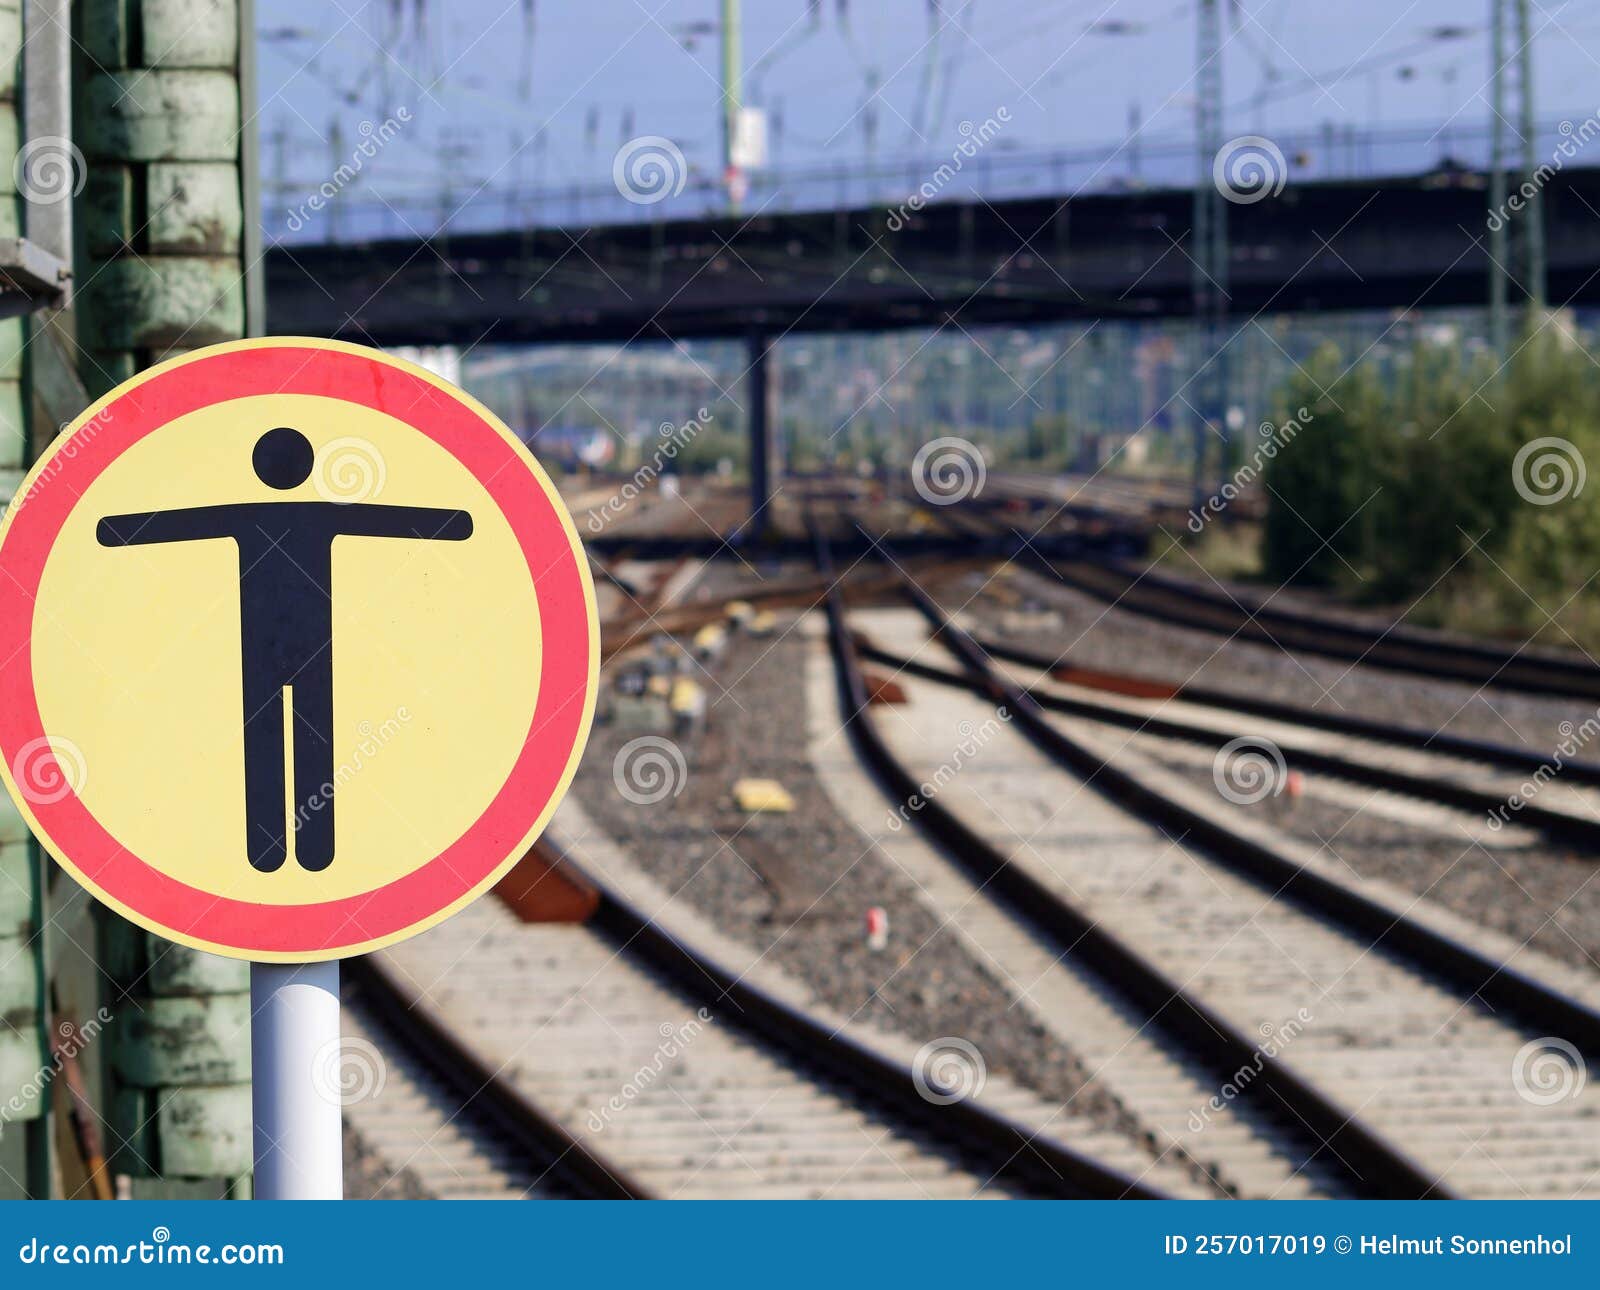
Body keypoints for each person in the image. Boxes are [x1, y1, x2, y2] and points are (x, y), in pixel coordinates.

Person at [96, 426, 473, 873]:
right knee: (314, 745)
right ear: (307, 467)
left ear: (260, 467)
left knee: (264, 746)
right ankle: (314, 851)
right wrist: (458, 524)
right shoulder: (326, 513)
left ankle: (268, 851)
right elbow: (399, 521)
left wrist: (109, 530)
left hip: (260, 650)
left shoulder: (245, 515)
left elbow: (168, 525)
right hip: (313, 648)